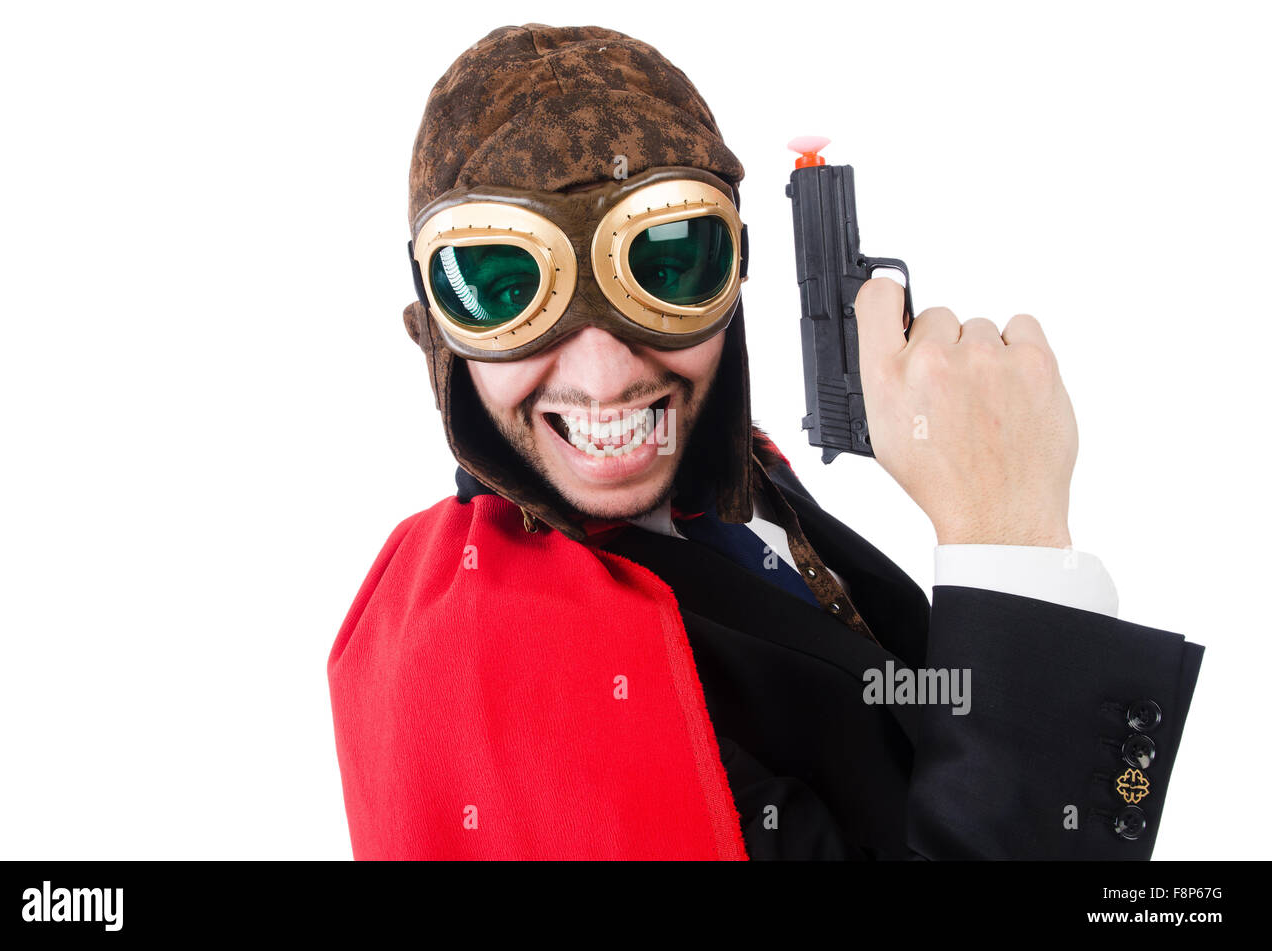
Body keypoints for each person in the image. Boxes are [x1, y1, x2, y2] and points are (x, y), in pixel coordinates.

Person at [326, 23, 1203, 860]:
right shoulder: (497, 656)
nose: (602, 378)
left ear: (736, 268)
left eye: (663, 262)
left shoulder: (733, 480)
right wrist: (1008, 550)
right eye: (506, 283)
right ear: (433, 326)